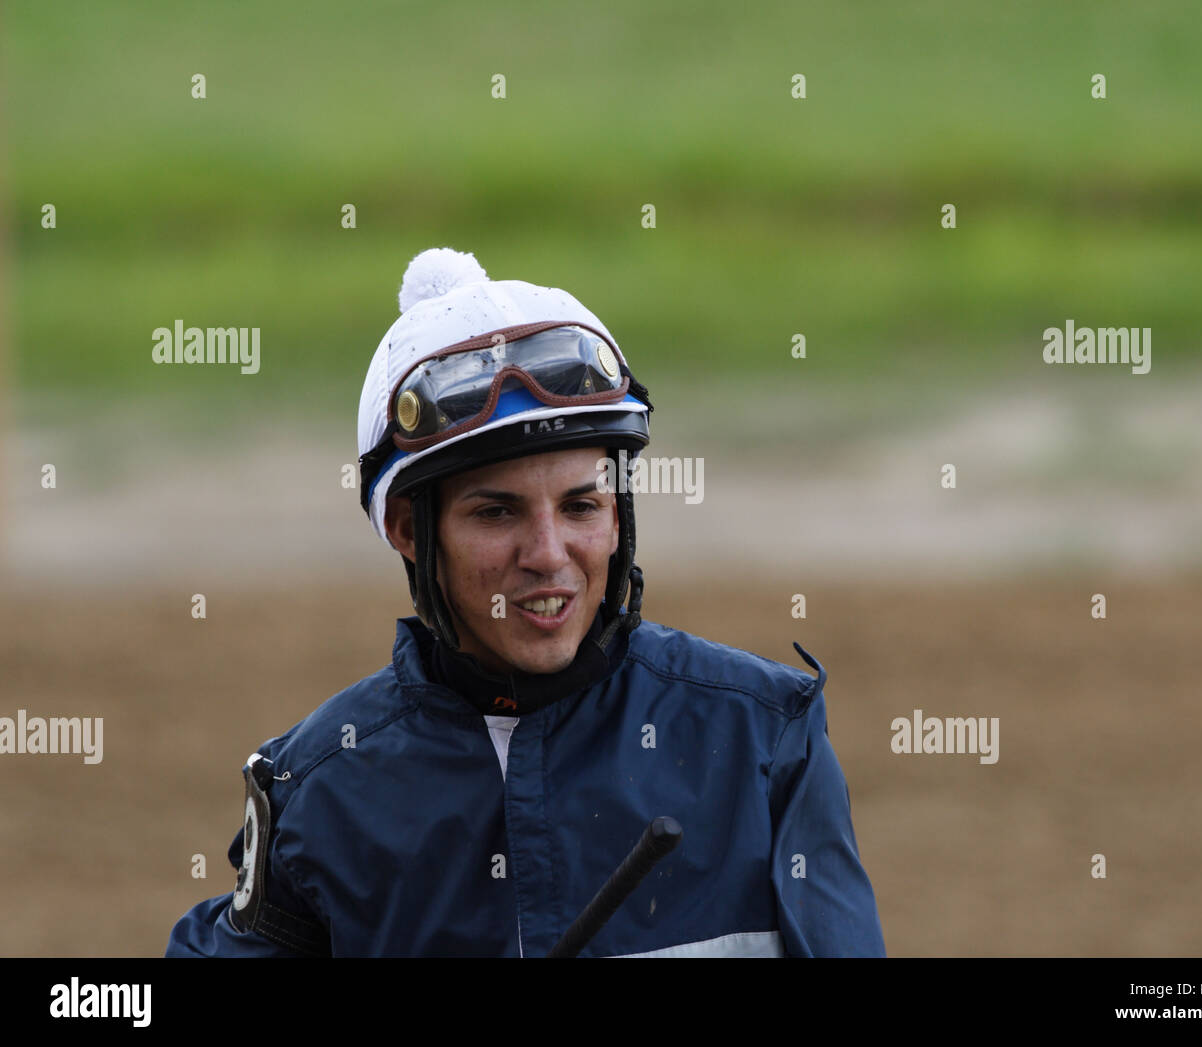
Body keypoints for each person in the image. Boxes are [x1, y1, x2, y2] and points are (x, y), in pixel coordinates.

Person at [165, 247, 886, 957]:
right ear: (410, 531)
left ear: (618, 517)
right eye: (497, 513)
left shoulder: (767, 741)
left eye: (580, 505)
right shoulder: (317, 793)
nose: (548, 554)